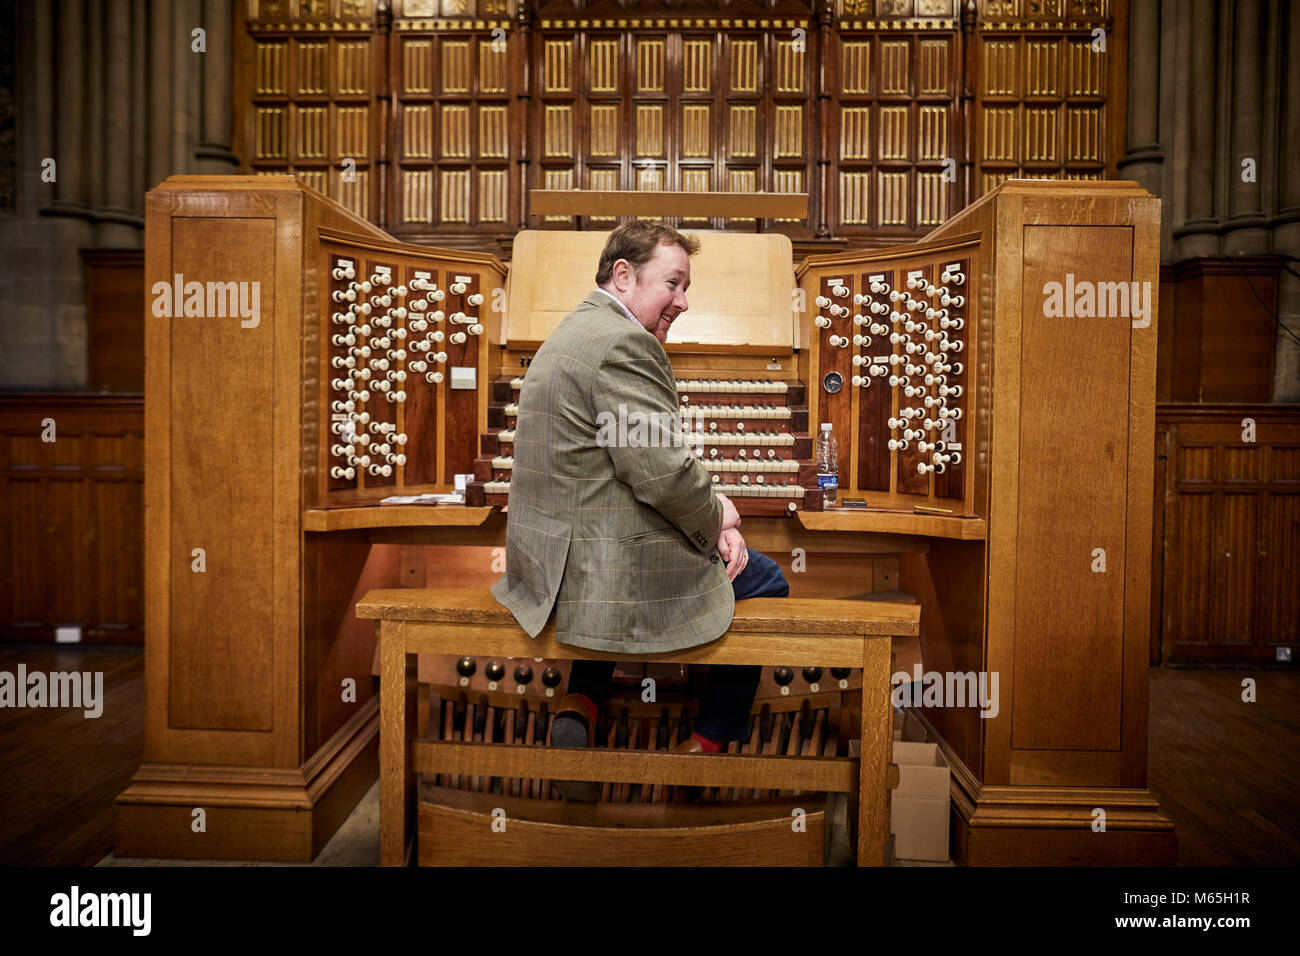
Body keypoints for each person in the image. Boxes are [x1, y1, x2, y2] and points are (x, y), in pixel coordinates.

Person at [489, 220, 790, 801]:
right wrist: (719, 516)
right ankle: (706, 745)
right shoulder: (625, 343)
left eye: (686, 287)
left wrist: (703, 514)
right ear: (623, 276)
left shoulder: (576, 330)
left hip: (550, 561)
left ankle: (582, 701)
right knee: (768, 579)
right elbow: (665, 474)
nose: (683, 300)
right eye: (673, 283)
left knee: (635, 537)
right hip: (591, 574)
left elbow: (632, 468)